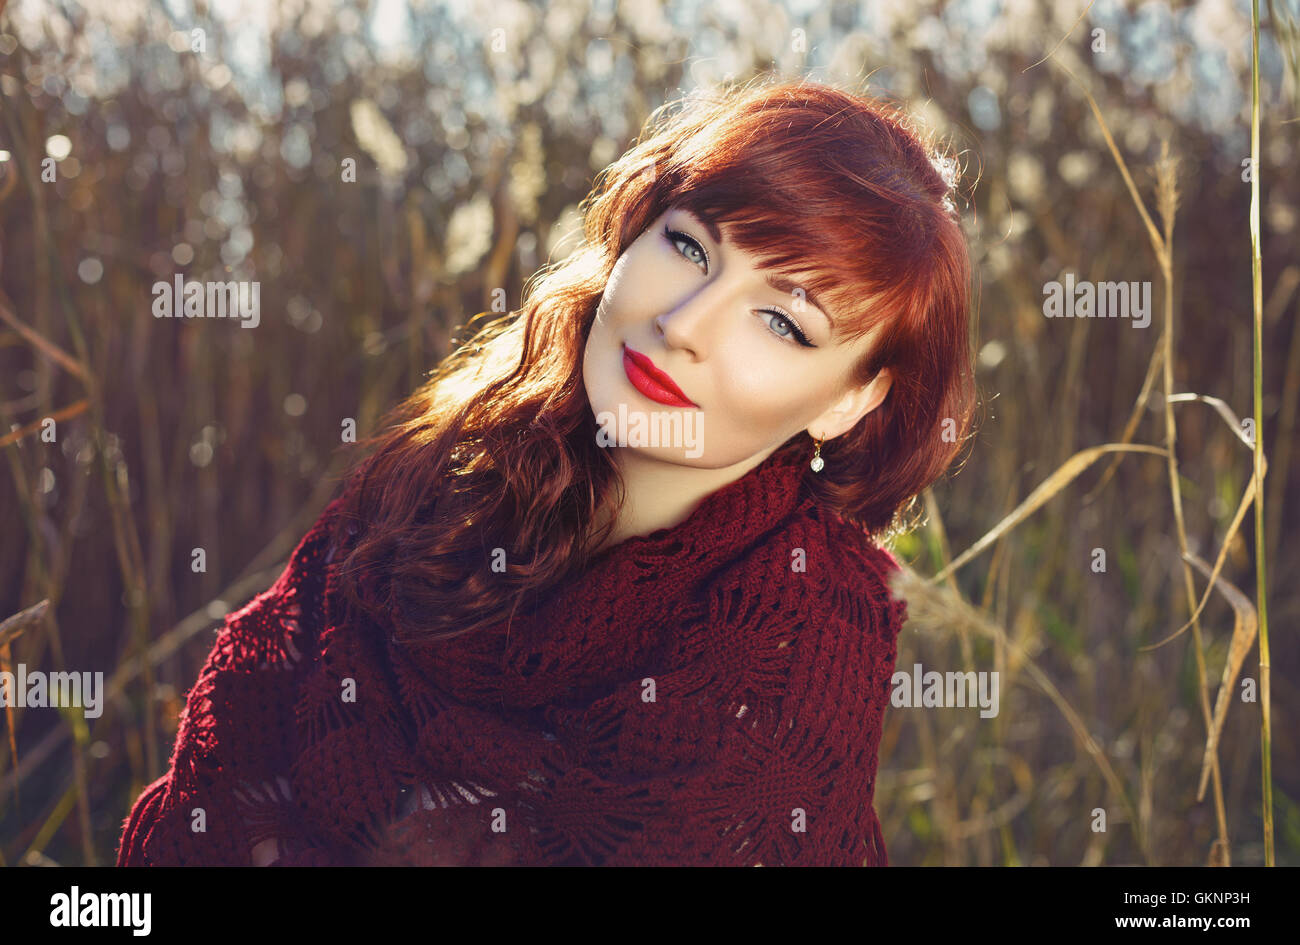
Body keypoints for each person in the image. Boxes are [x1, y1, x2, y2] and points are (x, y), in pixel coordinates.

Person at [117, 73, 974, 866]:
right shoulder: (427, 494)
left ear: (850, 401)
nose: (685, 322)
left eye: (783, 323)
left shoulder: (803, 635)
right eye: (690, 247)